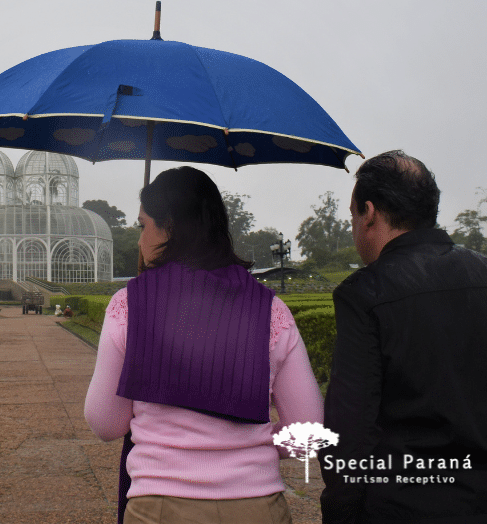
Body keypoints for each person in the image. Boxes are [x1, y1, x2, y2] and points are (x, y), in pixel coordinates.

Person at [84, 166, 323, 524]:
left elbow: (105, 422)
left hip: (160, 507)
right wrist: (251, 442)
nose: (140, 240)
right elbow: (308, 434)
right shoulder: (271, 310)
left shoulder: (130, 304)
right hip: (257, 507)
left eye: (143, 225)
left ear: (168, 226)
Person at [320, 150, 487, 523]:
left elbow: (351, 425)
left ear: (369, 213)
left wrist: (341, 510)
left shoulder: (364, 292)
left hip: (403, 504)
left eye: (353, 216)